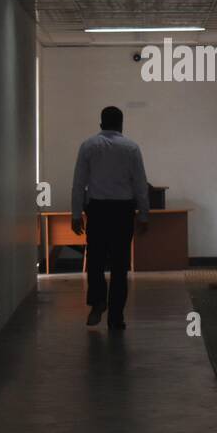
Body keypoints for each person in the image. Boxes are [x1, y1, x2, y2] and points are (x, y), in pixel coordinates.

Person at [71, 106, 149, 329]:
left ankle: (97, 302)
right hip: (123, 212)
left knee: (95, 260)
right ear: (121, 124)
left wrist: (76, 214)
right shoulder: (131, 148)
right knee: (120, 265)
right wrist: (144, 215)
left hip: (97, 211)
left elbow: (79, 183)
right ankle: (116, 316)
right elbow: (140, 184)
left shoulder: (88, 146)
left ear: (101, 124)